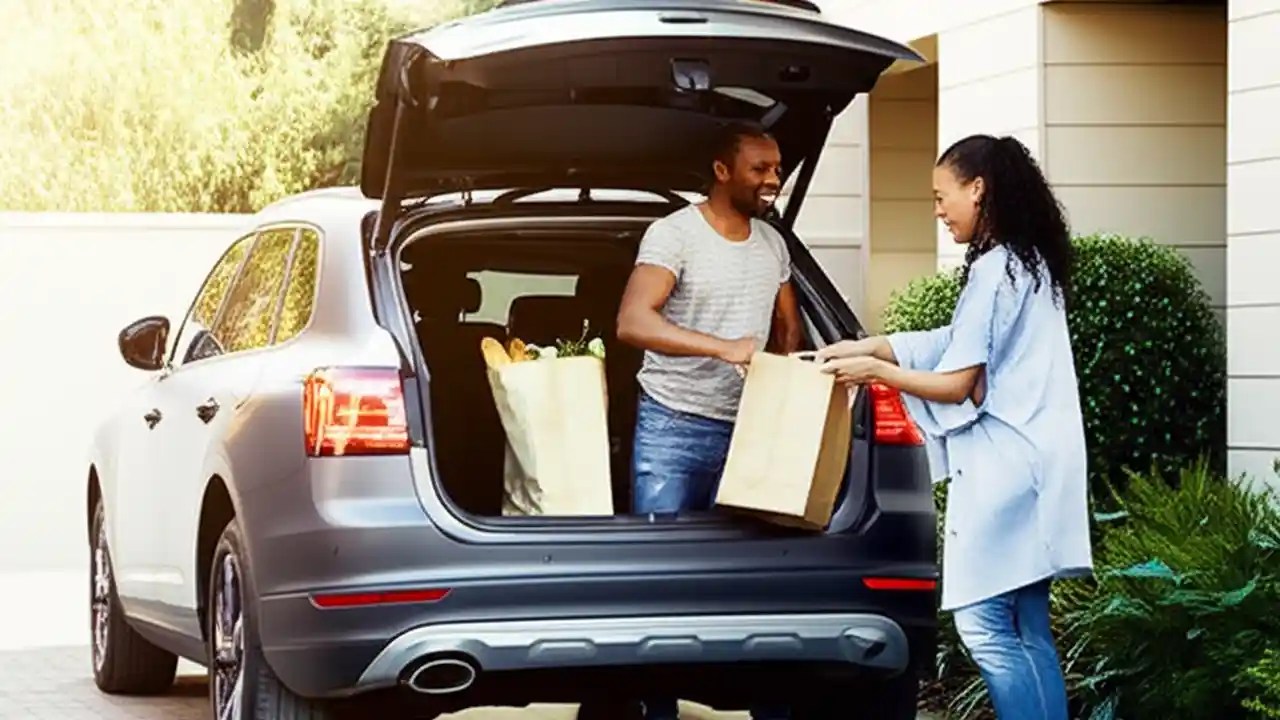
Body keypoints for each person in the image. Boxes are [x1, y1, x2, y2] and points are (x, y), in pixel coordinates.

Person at [815, 134, 1094, 720]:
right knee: (1026, 623)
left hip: (1006, 467)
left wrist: (876, 371)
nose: (939, 210)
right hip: (1038, 460)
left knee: (985, 626)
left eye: (943, 197)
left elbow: (958, 380)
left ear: (979, 189)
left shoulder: (997, 269)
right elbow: (956, 341)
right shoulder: (1029, 262)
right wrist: (877, 344)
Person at [614, 120, 802, 720]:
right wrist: (722, 348)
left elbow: (788, 331)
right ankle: (655, 710)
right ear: (722, 171)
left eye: (777, 168)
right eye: (760, 169)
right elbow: (633, 322)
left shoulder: (773, 245)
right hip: (674, 426)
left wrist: (791, 384)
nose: (773, 179)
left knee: (758, 582)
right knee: (660, 585)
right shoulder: (675, 235)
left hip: (750, 433)